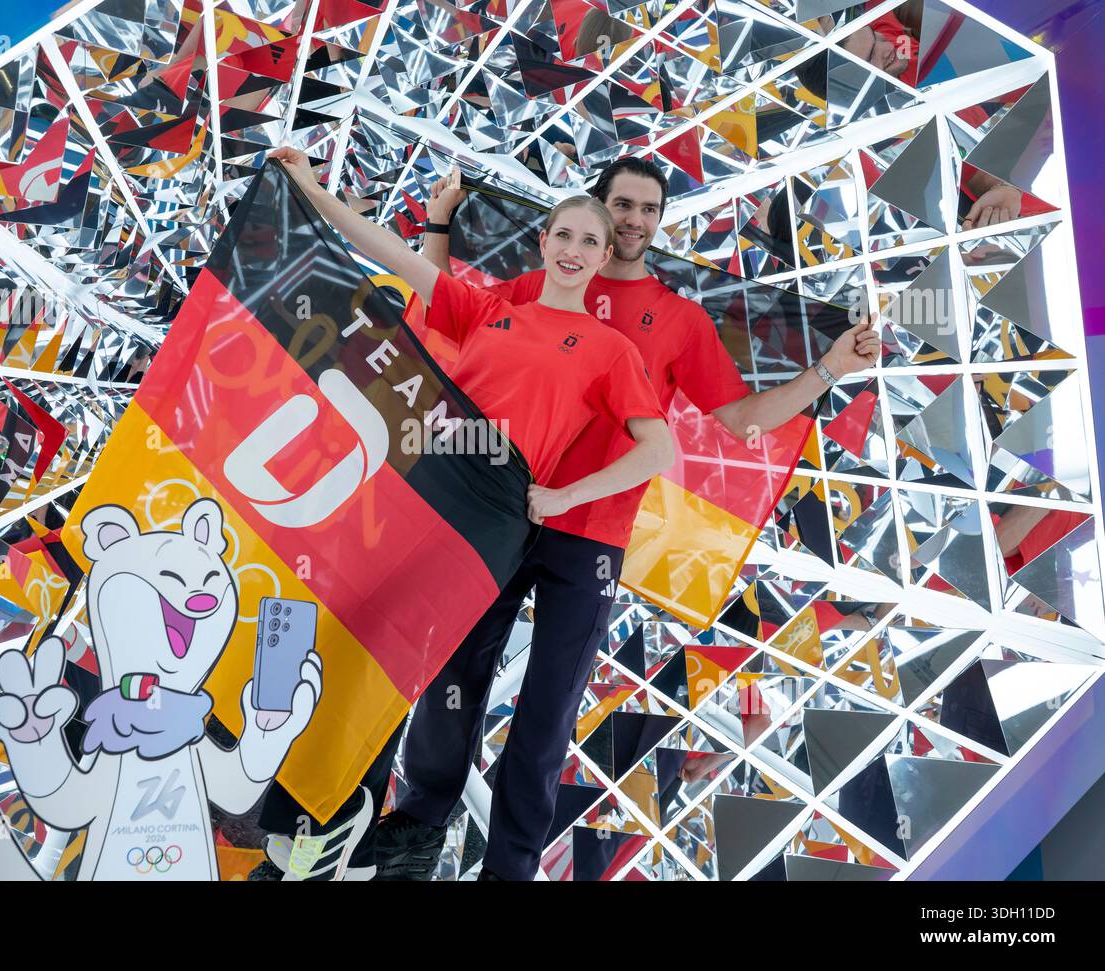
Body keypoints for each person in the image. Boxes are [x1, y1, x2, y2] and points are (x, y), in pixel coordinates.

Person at [376, 155, 880, 881]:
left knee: (547, 713)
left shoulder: (680, 319)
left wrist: (830, 368)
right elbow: (446, 305)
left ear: (658, 222)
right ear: (596, 214)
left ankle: (509, 868)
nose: (634, 219)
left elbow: (742, 420)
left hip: (591, 539)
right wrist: (440, 219)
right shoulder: (541, 285)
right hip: (506, 516)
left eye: (649, 209)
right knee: (455, 675)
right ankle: (416, 826)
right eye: (622, 204)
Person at [247, 145, 676, 879]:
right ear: (543, 244)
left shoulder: (609, 349)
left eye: (590, 242)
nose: (574, 251)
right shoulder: (487, 308)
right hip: (422, 486)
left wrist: (566, 496)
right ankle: (318, 828)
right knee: (370, 655)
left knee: (424, 669)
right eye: (563, 236)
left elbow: (658, 447)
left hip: (494, 515)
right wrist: (315, 193)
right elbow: (382, 249)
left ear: (607, 257)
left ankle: (375, 839)